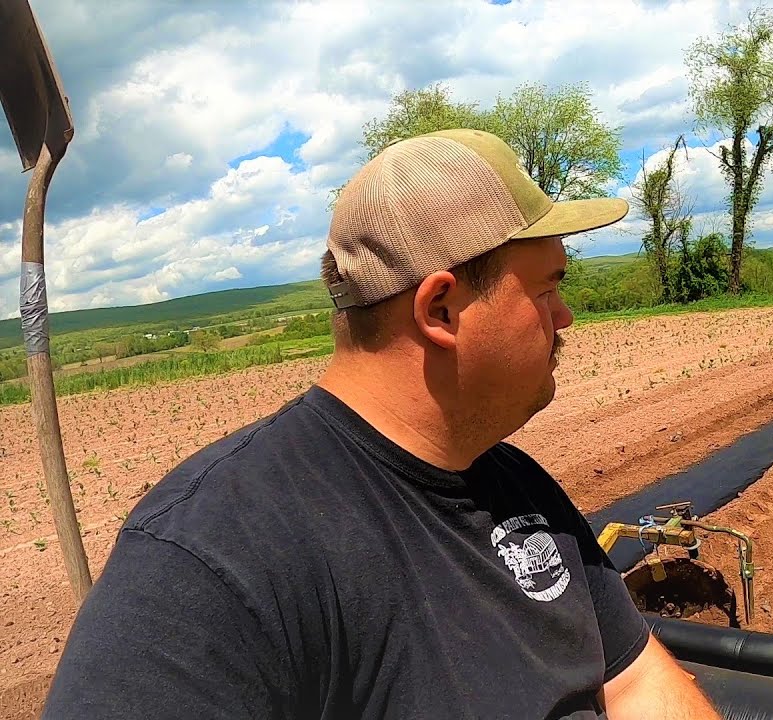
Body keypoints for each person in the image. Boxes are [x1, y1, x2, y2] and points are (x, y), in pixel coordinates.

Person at [42, 129, 721, 720]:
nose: (565, 316)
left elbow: (633, 681)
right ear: (442, 311)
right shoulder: (211, 557)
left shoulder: (513, 483)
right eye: (546, 289)